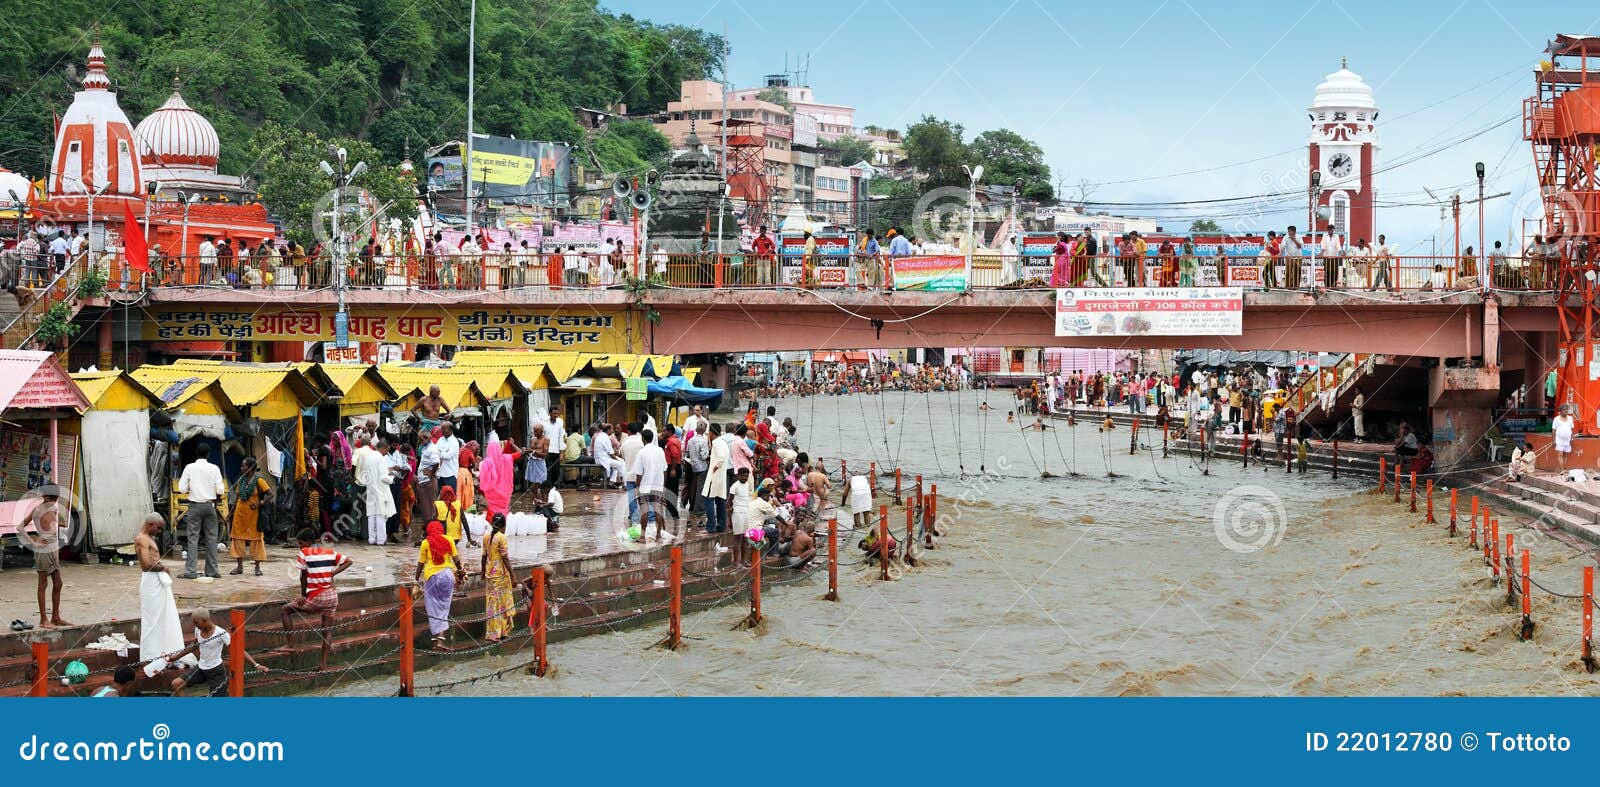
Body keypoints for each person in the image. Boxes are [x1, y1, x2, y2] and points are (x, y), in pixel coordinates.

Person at [166, 608, 267, 697]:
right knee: (176, 684)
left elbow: (239, 650)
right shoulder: (198, 629)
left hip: (216, 672)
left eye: (196, 623)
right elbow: (193, 646)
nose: (195, 625)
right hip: (201, 668)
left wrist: (256, 664)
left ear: (205, 620)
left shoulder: (220, 633)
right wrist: (175, 657)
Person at [135, 514, 185, 672]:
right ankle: (149, 658)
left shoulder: (149, 538)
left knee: (164, 618)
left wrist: (162, 567)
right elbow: (145, 565)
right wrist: (163, 568)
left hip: (157, 581)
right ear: (150, 524)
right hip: (151, 582)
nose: (159, 531)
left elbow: (153, 561)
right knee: (152, 621)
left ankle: (163, 655)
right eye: (158, 527)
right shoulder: (142, 539)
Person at [178, 445, 227, 579]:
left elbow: (182, 489)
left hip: (194, 506)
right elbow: (221, 490)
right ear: (208, 454)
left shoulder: (189, 467)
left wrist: (191, 487)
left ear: (196, 453)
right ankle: (212, 571)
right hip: (210, 506)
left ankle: (191, 571)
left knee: (193, 538)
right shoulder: (214, 468)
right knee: (211, 539)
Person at [22, 487, 69, 628]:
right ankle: (43, 619)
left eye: (56, 499)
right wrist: (33, 542)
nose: (55, 502)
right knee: (42, 584)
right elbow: (20, 527)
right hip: (43, 549)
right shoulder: (38, 510)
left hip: (53, 548)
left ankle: (55, 617)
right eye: (53, 499)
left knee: (58, 583)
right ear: (46, 497)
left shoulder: (53, 509)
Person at [415, 520, 463, 649]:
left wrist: (416, 579)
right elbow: (456, 559)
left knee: (432, 608)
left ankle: (436, 640)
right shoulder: (449, 539)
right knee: (443, 608)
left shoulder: (425, 542)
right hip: (447, 576)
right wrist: (461, 572)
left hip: (431, 577)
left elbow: (421, 563)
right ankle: (439, 641)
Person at [227, 457, 271, 576]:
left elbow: (270, 494)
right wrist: (230, 512)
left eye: (244, 466)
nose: (241, 468)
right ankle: (239, 567)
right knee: (237, 539)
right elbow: (237, 498)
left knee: (256, 539)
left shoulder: (259, 480)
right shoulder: (241, 480)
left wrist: (259, 503)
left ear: (251, 468)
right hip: (239, 514)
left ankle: (257, 568)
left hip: (254, 515)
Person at [480, 514, 515, 642]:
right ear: (503, 525)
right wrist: (513, 575)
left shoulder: (486, 536)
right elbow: (505, 557)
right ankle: (498, 633)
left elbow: (483, 556)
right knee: (500, 602)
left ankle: (496, 633)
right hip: (500, 574)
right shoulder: (501, 537)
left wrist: (483, 571)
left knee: (492, 603)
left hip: (490, 574)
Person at [631, 428, 669, 537]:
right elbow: (664, 470)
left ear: (643, 439)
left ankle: (642, 536)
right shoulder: (660, 451)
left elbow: (639, 473)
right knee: (658, 509)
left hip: (644, 486)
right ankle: (658, 534)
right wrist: (663, 486)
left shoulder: (641, 453)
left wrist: (637, 489)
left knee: (644, 511)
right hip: (658, 486)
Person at [359, 438, 396, 545]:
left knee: (371, 515)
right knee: (380, 515)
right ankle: (381, 540)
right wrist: (392, 478)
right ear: (383, 448)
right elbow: (384, 477)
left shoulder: (369, 457)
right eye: (387, 450)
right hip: (381, 490)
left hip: (371, 489)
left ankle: (372, 539)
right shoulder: (381, 459)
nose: (386, 453)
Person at [701, 423, 730, 532]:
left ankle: (711, 526)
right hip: (721, 477)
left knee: (708, 500)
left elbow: (721, 458)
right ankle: (722, 525)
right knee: (720, 500)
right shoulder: (723, 443)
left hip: (714, 477)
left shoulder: (716, 443)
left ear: (712, 433)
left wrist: (714, 468)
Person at [435, 422, 462, 492]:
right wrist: (444, 452)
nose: (442, 431)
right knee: (440, 499)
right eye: (442, 429)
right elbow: (435, 452)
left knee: (450, 498)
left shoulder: (454, 442)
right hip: (440, 473)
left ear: (450, 430)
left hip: (450, 474)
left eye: (444, 429)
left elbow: (447, 456)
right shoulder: (441, 439)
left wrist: (440, 452)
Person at [1552, 406, 1576, 472]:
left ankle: (1563, 468)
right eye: (1564, 409)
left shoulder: (1570, 418)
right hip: (1559, 439)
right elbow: (1553, 430)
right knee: (1560, 454)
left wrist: (1572, 437)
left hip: (1567, 440)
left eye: (1567, 410)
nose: (1566, 411)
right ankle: (1562, 469)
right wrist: (1553, 440)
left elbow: (1572, 428)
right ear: (1560, 411)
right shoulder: (1556, 419)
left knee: (1565, 454)